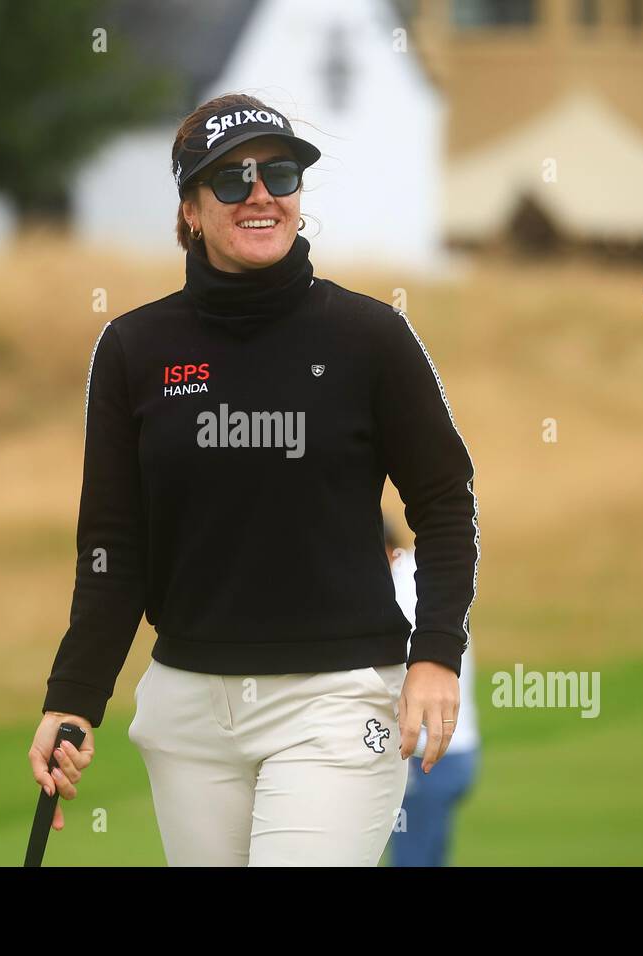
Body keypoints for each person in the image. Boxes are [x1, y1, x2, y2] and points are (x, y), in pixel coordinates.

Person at [28, 91, 481, 866]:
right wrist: (73, 696)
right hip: (190, 708)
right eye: (230, 181)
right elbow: (112, 548)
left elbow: (445, 504)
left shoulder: (370, 337)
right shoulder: (134, 350)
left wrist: (436, 651)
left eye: (279, 172)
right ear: (191, 211)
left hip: (335, 701)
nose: (260, 193)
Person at [382, 519, 480, 867]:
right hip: (454, 750)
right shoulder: (426, 585)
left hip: (425, 755)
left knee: (413, 859)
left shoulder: (399, 587)